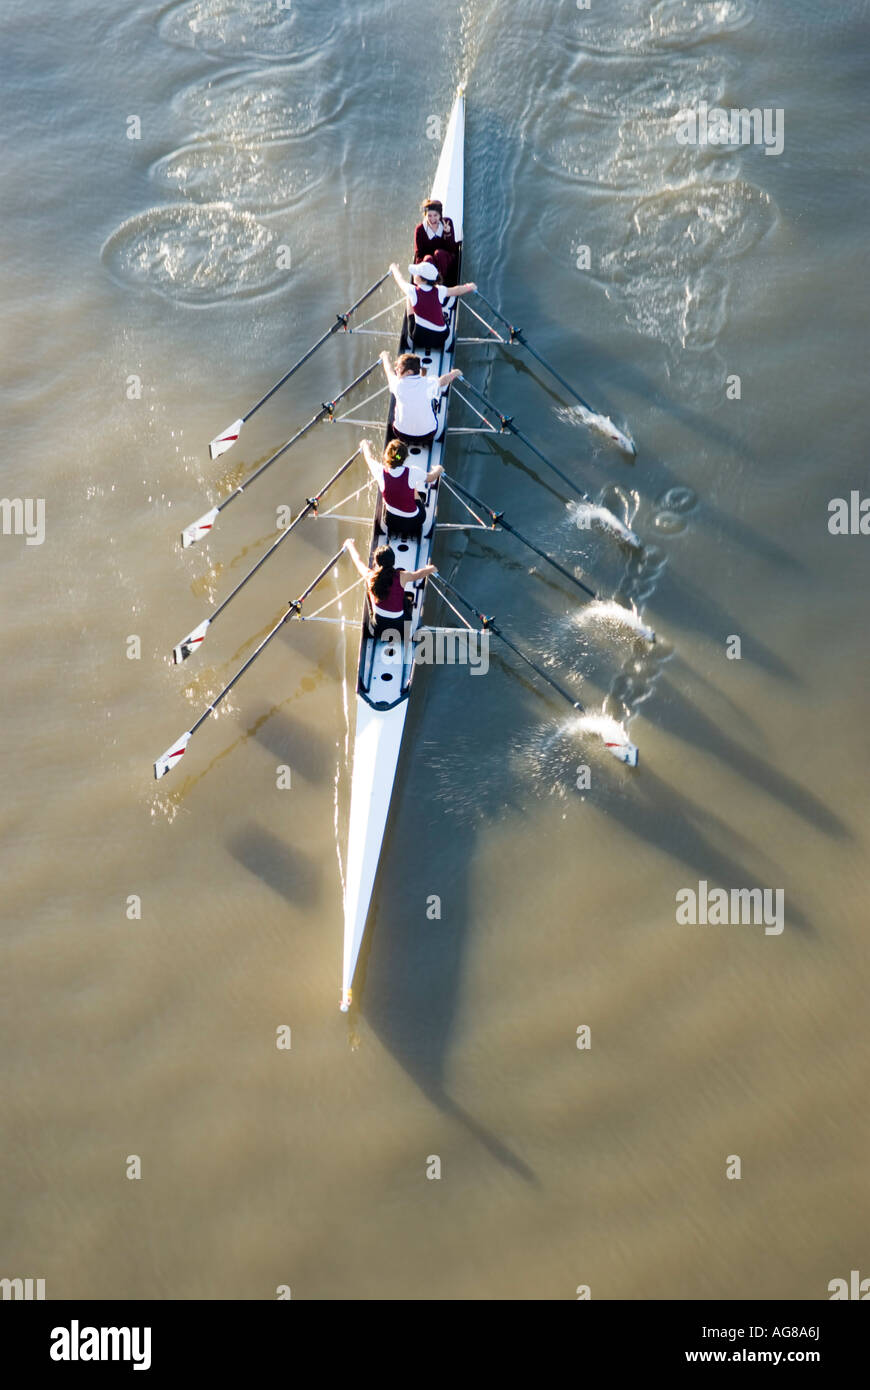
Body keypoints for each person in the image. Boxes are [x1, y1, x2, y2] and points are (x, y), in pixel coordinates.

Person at [344, 538, 437, 641]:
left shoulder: (370, 576)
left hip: (379, 628)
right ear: (393, 561)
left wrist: (349, 545)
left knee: (368, 591)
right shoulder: (402, 576)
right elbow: (419, 574)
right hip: (400, 629)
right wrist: (431, 569)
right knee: (405, 600)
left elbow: (358, 560)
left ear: (376, 562)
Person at [361, 437, 443, 538]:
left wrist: (365, 445)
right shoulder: (412, 472)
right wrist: (439, 469)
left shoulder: (379, 471)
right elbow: (431, 478)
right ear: (405, 458)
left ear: (386, 455)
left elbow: (369, 458)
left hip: (390, 522)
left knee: (391, 490)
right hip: (416, 521)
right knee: (412, 488)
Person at [389, 259, 477, 351]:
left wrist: (394, 268)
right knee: (437, 304)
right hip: (442, 337)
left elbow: (399, 279)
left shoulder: (412, 290)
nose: (413, 274)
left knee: (409, 298)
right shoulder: (440, 290)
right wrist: (469, 286)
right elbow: (456, 291)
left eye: (416, 273)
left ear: (422, 278)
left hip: (418, 338)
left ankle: (415, 325)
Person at [379, 349, 460, 446]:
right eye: (396, 367)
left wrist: (385, 356)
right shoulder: (428, 383)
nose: (396, 369)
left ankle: (392, 441)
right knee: (432, 394)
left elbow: (389, 370)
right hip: (428, 434)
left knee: (394, 400)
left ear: (409, 372)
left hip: (401, 434)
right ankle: (423, 374)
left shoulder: (397, 384)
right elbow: (444, 380)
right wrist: (455, 373)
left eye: (399, 368)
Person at [413, 198, 458, 285]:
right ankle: (430, 284)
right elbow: (419, 256)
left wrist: (447, 233)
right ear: (425, 216)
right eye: (429, 215)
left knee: (439, 253)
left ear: (440, 215)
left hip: (445, 261)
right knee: (428, 258)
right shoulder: (420, 230)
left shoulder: (447, 223)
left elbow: (452, 249)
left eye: (435, 215)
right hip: (429, 264)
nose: (432, 219)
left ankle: (441, 282)